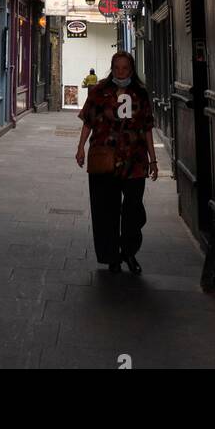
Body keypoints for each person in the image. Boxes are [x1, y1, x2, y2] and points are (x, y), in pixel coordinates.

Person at [75, 51, 157, 274]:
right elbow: (88, 121)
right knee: (106, 211)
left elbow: (146, 127)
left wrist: (153, 159)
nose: (121, 72)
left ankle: (129, 252)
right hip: (105, 158)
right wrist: (80, 147)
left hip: (135, 160)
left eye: (125, 68)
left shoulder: (140, 93)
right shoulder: (100, 91)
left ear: (131, 70)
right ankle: (112, 256)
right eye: (117, 68)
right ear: (112, 68)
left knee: (133, 211)